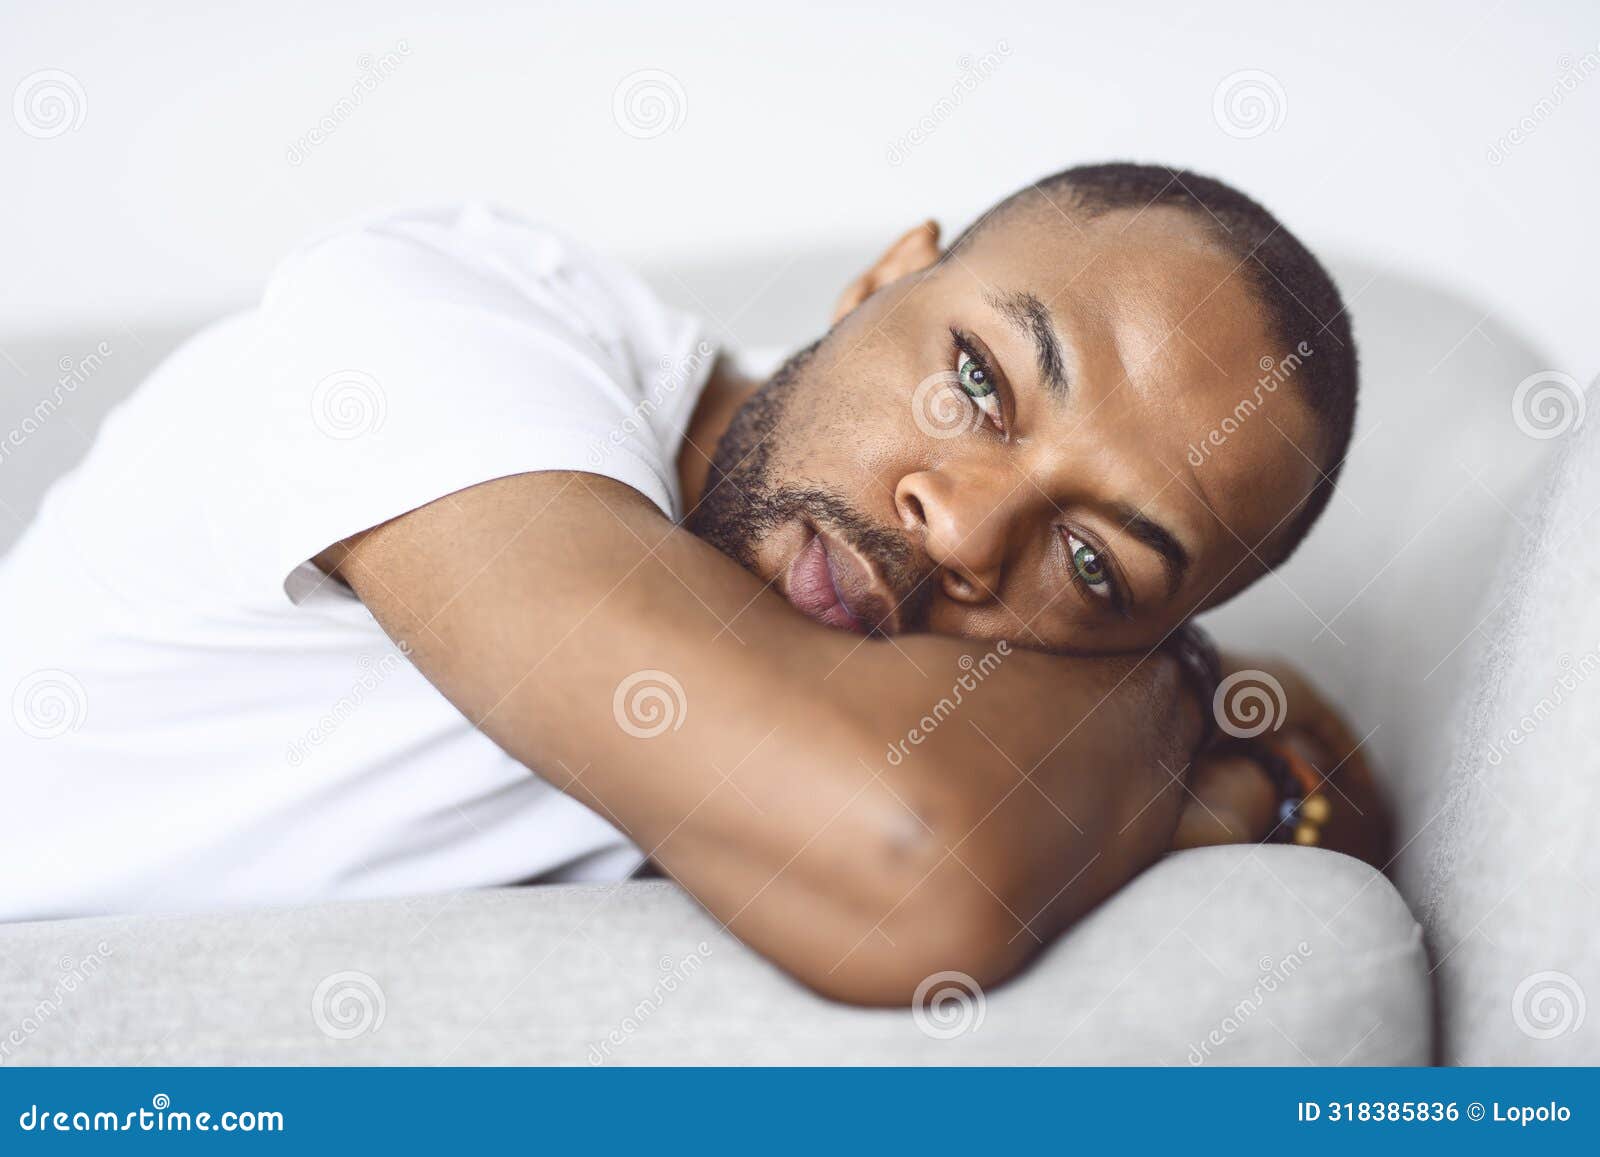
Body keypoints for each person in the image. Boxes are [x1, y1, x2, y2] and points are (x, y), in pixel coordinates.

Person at [0, 163, 1386, 1002]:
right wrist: (1175, 695)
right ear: (882, 277)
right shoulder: (428, 322)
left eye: (1092, 561)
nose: (965, 531)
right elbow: (910, 865)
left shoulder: (909, 650)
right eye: (980, 380)